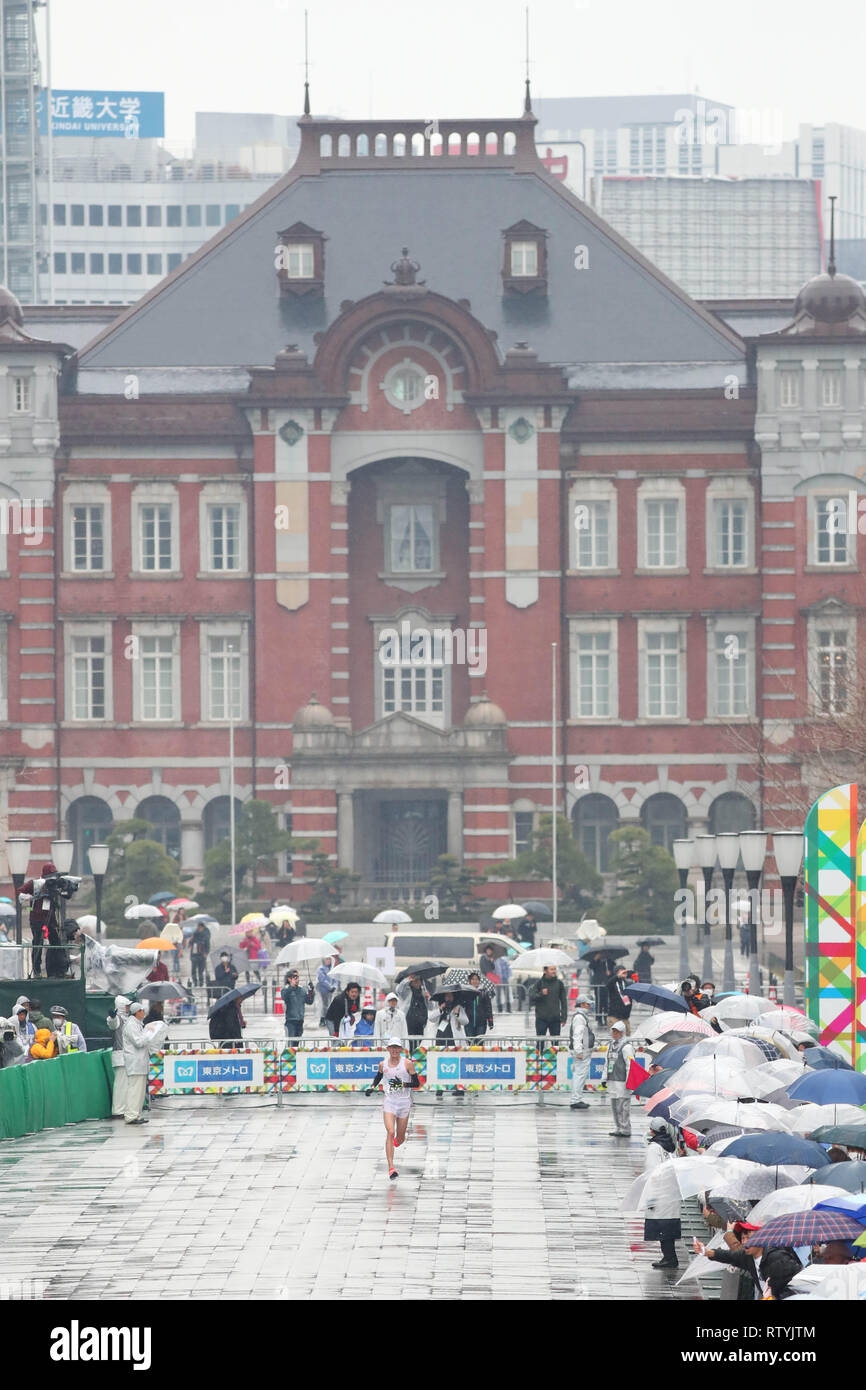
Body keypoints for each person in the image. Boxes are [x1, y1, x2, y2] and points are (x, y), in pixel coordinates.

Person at [365, 1037, 420, 1181]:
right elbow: (378, 1078)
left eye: (397, 1048)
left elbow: (417, 1083)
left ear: (401, 1049)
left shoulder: (407, 1064)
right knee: (390, 1131)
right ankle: (391, 1168)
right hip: (389, 1102)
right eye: (392, 1048)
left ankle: (397, 1142)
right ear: (388, 1049)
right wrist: (371, 1088)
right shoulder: (383, 1064)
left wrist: (402, 1084)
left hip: (404, 1103)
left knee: (400, 1138)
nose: (394, 1050)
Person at [643, 1117, 683, 1269]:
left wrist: (650, 1197)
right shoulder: (672, 1147)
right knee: (668, 1227)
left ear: (652, 1130)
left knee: (661, 1227)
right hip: (672, 1192)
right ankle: (670, 1256)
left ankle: (670, 1258)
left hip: (660, 1193)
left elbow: (651, 1173)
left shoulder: (654, 1148)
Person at [122, 999, 168, 1125]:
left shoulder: (137, 1024)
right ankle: (131, 1115)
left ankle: (136, 1114)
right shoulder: (131, 1025)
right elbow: (138, 1042)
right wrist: (149, 1034)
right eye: (142, 1010)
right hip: (135, 1062)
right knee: (134, 1090)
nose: (144, 1012)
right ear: (137, 1012)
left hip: (140, 1062)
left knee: (140, 1091)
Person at [604, 1018, 635, 1137]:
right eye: (613, 1032)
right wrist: (604, 1077)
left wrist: (629, 1081)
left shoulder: (627, 1047)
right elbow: (606, 1062)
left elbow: (630, 1065)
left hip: (622, 1082)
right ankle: (618, 1127)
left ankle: (625, 1128)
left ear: (622, 1033)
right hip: (612, 1080)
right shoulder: (610, 1046)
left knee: (624, 1107)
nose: (614, 1034)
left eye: (616, 1032)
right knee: (614, 1106)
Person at [568, 993, 595, 1110]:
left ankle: (576, 1098)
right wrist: (579, 1051)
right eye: (588, 1004)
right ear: (583, 1004)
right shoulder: (580, 1017)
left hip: (583, 1051)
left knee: (579, 1075)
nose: (590, 1006)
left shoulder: (581, 1016)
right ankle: (575, 1100)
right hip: (582, 1052)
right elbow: (577, 1035)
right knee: (579, 1075)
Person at [107, 995, 131, 1118]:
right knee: (120, 1085)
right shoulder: (117, 1019)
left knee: (126, 1085)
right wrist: (112, 1017)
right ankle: (118, 1110)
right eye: (127, 1006)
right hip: (120, 1055)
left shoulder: (128, 1019)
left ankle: (124, 1108)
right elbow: (112, 1023)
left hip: (128, 1056)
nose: (128, 1008)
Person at [530, 965, 568, 1038]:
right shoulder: (539, 983)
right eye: (551, 969)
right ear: (545, 971)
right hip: (541, 1018)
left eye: (554, 969)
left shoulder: (559, 983)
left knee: (555, 1044)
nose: (554, 971)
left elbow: (563, 1001)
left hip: (555, 1018)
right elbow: (532, 997)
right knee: (540, 1043)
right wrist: (541, 993)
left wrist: (564, 1017)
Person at [280, 969, 313, 1041]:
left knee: (296, 1045)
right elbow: (284, 997)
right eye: (295, 977)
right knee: (290, 1044)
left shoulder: (302, 990)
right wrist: (291, 987)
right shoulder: (286, 989)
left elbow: (309, 1001)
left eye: (298, 977)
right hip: (290, 1021)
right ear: (289, 979)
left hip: (300, 1021)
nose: (297, 979)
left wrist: (311, 991)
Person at [397, 973, 431, 1040]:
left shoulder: (424, 992)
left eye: (418, 980)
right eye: (414, 980)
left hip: (421, 1023)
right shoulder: (406, 992)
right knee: (408, 1043)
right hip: (408, 1022)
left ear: (421, 982)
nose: (416, 982)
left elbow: (431, 1007)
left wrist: (429, 999)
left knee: (418, 1044)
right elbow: (398, 990)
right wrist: (407, 979)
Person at [463, 973, 494, 1042]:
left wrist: (490, 1021)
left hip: (481, 1023)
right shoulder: (465, 992)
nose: (475, 981)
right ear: (470, 981)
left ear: (479, 981)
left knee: (479, 1043)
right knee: (470, 1042)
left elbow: (488, 1007)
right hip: (468, 1022)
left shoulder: (484, 992)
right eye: (473, 979)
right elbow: (462, 1006)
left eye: (476, 979)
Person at [588, 952, 613, 1025]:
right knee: (599, 1002)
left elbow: (613, 970)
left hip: (606, 984)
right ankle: (599, 1019)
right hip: (598, 984)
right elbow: (591, 966)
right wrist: (595, 959)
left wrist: (610, 972)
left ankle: (606, 1018)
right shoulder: (596, 962)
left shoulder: (609, 962)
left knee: (606, 1002)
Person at [606, 965, 633, 1034]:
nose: (624, 973)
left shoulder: (626, 983)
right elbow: (608, 985)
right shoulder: (613, 982)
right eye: (621, 971)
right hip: (614, 1016)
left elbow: (629, 998)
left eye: (624, 971)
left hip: (625, 1017)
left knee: (627, 1038)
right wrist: (617, 976)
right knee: (617, 1037)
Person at [189, 921, 211, 988]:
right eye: (198, 926)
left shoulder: (206, 935)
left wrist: (206, 953)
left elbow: (208, 945)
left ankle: (201, 982)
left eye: (200, 927)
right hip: (194, 955)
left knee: (201, 970)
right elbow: (190, 944)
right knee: (193, 970)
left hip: (202, 955)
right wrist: (191, 940)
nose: (199, 928)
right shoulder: (194, 934)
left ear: (202, 927)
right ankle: (195, 982)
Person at [316, 957, 337, 1025]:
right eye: (327, 959)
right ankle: (322, 1019)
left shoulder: (332, 969)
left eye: (329, 959)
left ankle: (327, 1018)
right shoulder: (321, 969)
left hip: (330, 990)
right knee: (324, 1005)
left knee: (329, 1004)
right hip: (323, 990)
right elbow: (322, 979)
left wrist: (334, 986)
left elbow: (335, 979)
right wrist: (329, 987)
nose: (328, 961)